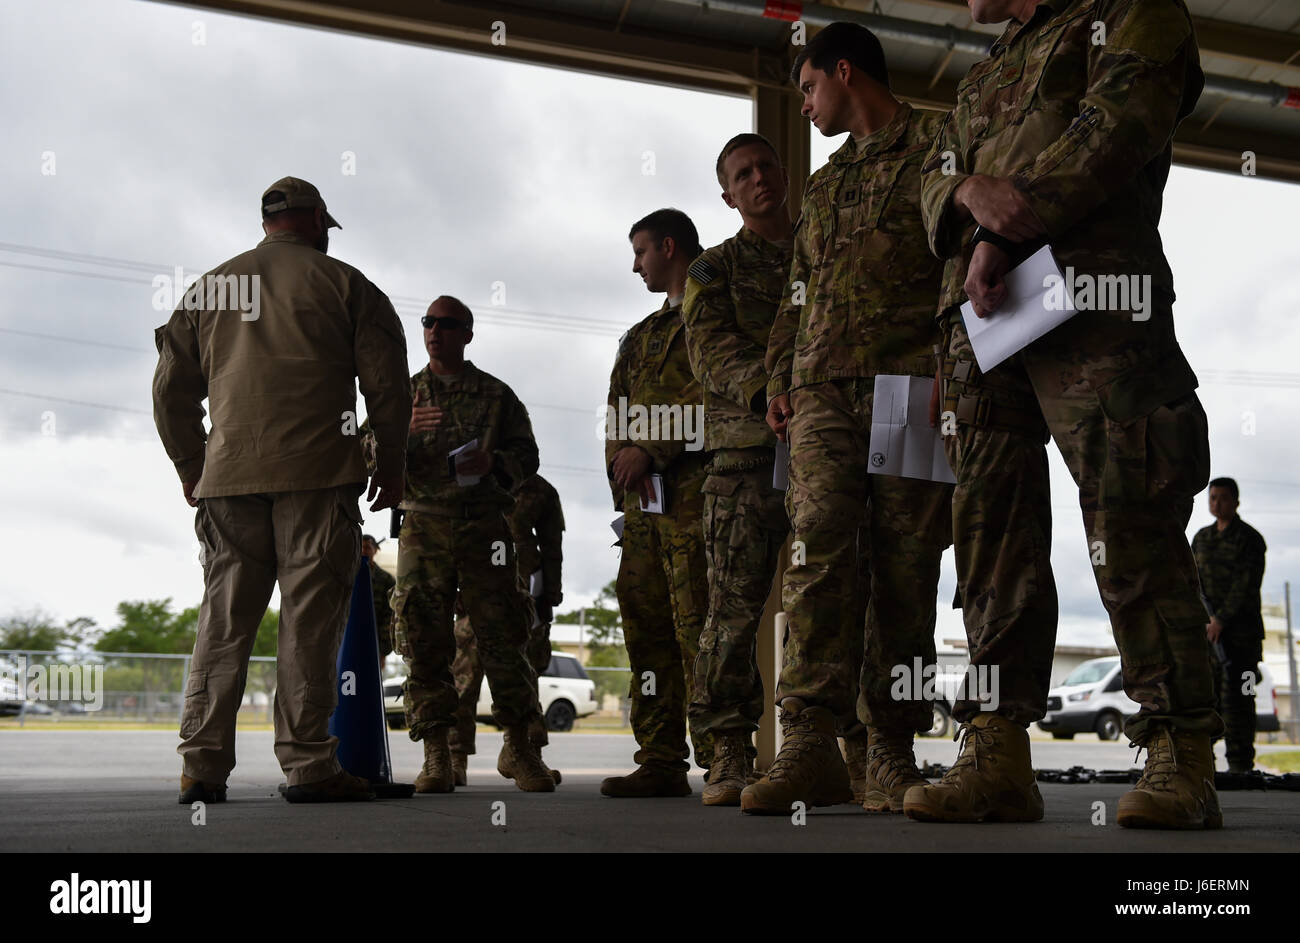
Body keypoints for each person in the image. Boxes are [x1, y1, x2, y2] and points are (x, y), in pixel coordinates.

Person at [914, 0, 1222, 828]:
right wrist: (963, 191)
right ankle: (997, 748)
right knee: (990, 536)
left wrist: (1010, 227)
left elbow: (1122, 117)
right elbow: (932, 180)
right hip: (982, 325)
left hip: (1093, 299)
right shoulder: (983, 72)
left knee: (1130, 517)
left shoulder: (1126, 9)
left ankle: (1180, 750)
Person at [740, 24, 954, 816]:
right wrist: (777, 379)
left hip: (912, 388)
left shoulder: (939, 143)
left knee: (907, 567)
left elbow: (962, 257)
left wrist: (953, 368)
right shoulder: (824, 185)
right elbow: (797, 294)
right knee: (818, 543)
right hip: (822, 394)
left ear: (842, 71)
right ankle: (807, 741)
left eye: (806, 88)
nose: (803, 104)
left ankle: (891, 748)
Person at [153, 176, 411, 804]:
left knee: (223, 624)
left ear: (267, 222)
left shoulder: (209, 288)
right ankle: (308, 765)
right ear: (317, 221)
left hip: (229, 477)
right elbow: (388, 389)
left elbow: (169, 393)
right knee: (307, 625)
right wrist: (393, 465)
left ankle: (202, 768)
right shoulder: (347, 285)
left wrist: (194, 462)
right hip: (318, 478)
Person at [362, 295, 555, 793]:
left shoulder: (495, 395)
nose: (434, 331)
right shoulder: (401, 396)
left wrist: (494, 465)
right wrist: (397, 436)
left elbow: (527, 454)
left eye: (447, 324)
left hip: (484, 527)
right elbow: (360, 453)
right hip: (423, 530)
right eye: (428, 322)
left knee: (504, 640)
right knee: (424, 642)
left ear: (466, 334)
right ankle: (437, 757)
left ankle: (521, 749)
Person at [681, 133, 793, 806]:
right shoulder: (710, 270)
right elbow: (710, 350)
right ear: (728, 195)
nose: (758, 179)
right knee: (732, 610)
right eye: (742, 174)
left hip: (826, 455)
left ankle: (856, 748)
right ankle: (729, 751)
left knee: (839, 603)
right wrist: (768, 391)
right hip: (746, 458)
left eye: (765, 166)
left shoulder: (823, 255)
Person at [601, 209, 712, 797]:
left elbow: (718, 386)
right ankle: (662, 758)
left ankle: (725, 760)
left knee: (703, 628)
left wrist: (652, 448)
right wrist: (623, 467)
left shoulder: (715, 305)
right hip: (645, 511)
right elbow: (616, 407)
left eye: (641, 252)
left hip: (697, 500)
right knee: (647, 631)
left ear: (668, 247)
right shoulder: (642, 334)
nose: (636, 264)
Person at [448, 473, 566, 785]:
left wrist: (550, 596)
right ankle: (453, 759)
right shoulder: (468, 477)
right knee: (464, 677)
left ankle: (527, 753)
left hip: (524, 597)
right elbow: (451, 531)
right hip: (476, 591)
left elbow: (553, 546)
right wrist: (454, 586)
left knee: (526, 676)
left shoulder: (540, 490)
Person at [1192, 478, 1267, 773]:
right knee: (1206, 699)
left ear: (1236, 501)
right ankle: (1202, 764)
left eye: (1223, 498)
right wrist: (1208, 621)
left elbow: (1246, 585)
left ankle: (1240, 765)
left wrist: (1221, 619)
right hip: (1209, 637)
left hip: (1241, 638)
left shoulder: (1249, 539)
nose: (1217, 503)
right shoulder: (1201, 539)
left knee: (1241, 699)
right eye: (1212, 498)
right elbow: (1192, 581)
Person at [361, 535, 396, 663]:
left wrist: (383, 650)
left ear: (376, 550)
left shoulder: (387, 580)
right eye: (360, 547)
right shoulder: (347, 577)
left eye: (367, 547)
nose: (363, 551)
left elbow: (390, 616)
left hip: (374, 644)